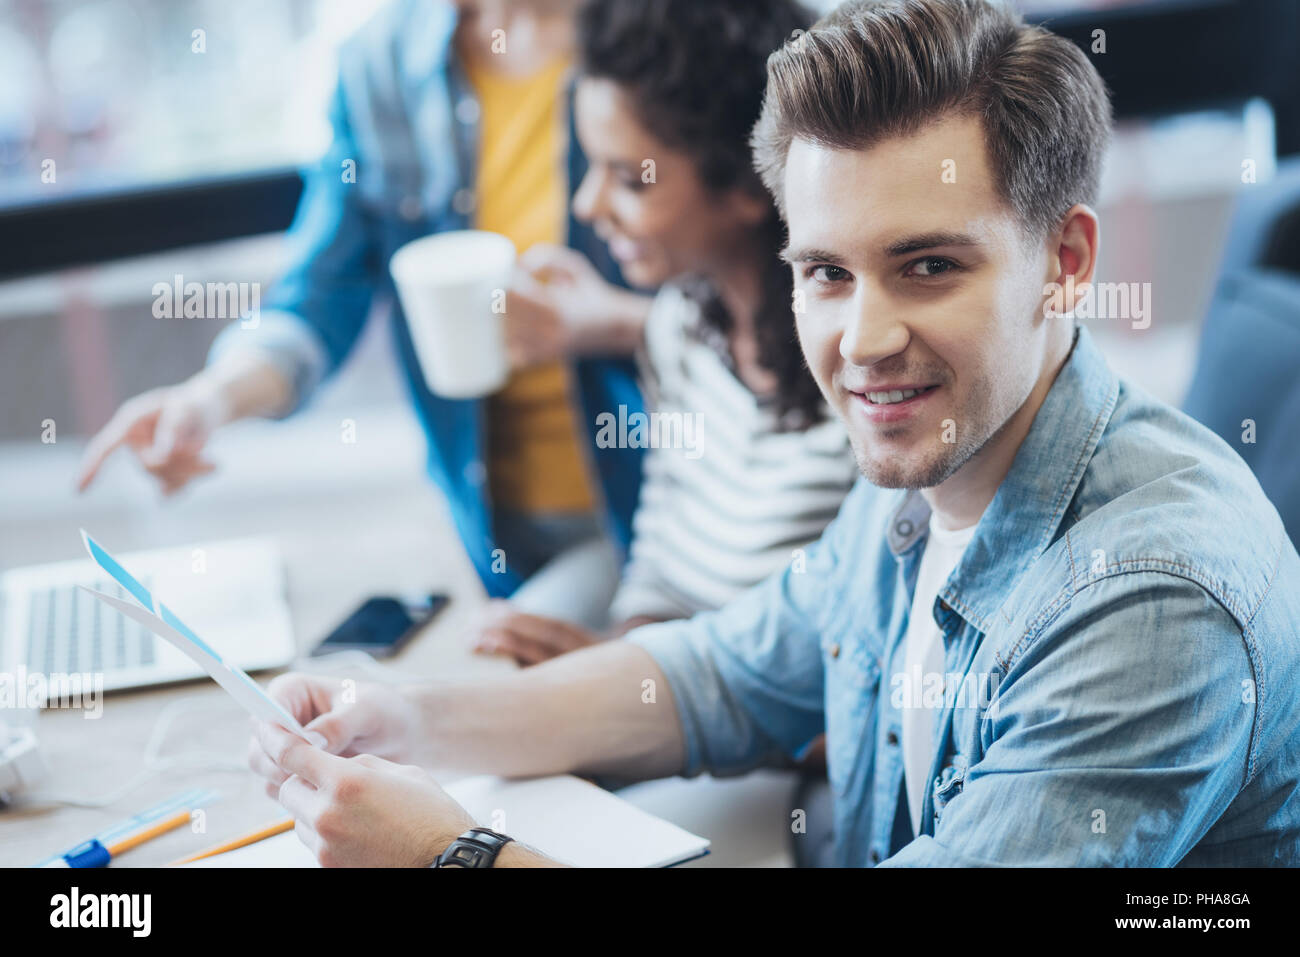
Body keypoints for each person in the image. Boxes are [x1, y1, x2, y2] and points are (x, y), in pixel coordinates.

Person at [248, 0, 1300, 867]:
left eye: (929, 266)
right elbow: (723, 674)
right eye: (826, 274)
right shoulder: (921, 463)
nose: (864, 340)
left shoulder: (1152, 600)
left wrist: (452, 856)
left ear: (1065, 262)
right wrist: (400, 716)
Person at [74, 0, 653, 629]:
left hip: (654, 506)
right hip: (486, 523)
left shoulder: (662, 36)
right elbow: (319, 294)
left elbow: (758, 302)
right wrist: (210, 401)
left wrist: (611, 323)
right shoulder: (381, 63)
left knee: (515, 682)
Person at [469, 0, 858, 666]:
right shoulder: (678, 327)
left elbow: (850, 693)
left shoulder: (862, 379)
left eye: (628, 179)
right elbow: (660, 567)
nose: (587, 206)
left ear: (748, 182)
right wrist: (616, 656)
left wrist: (639, 687)